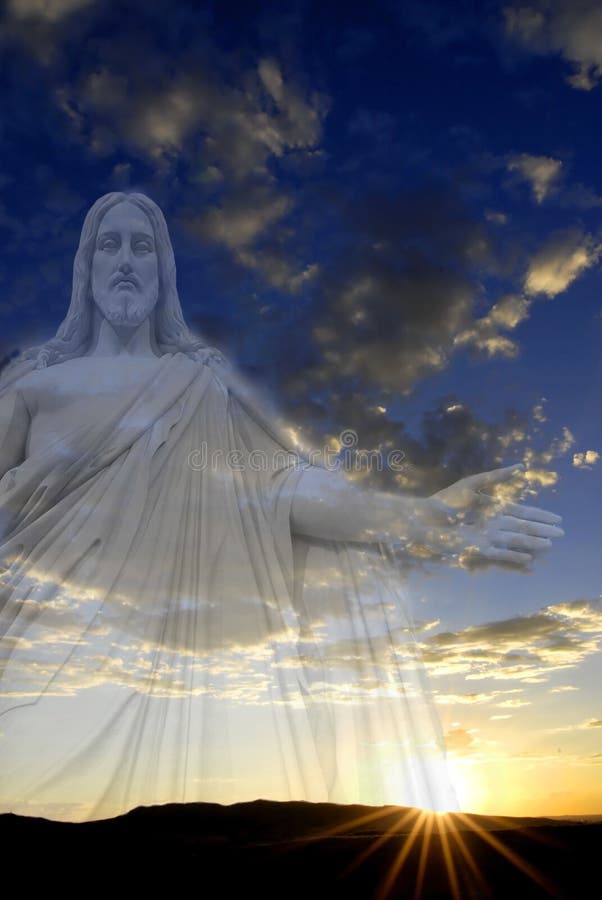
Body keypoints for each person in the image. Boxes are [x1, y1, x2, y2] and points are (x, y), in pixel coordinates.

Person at [0, 192, 563, 822]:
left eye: (144, 246)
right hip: (31, 663)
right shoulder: (33, 384)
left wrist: (427, 519)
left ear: (163, 274)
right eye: (111, 244)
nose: (126, 260)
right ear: (87, 266)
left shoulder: (196, 385)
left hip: (146, 669)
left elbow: (280, 487)